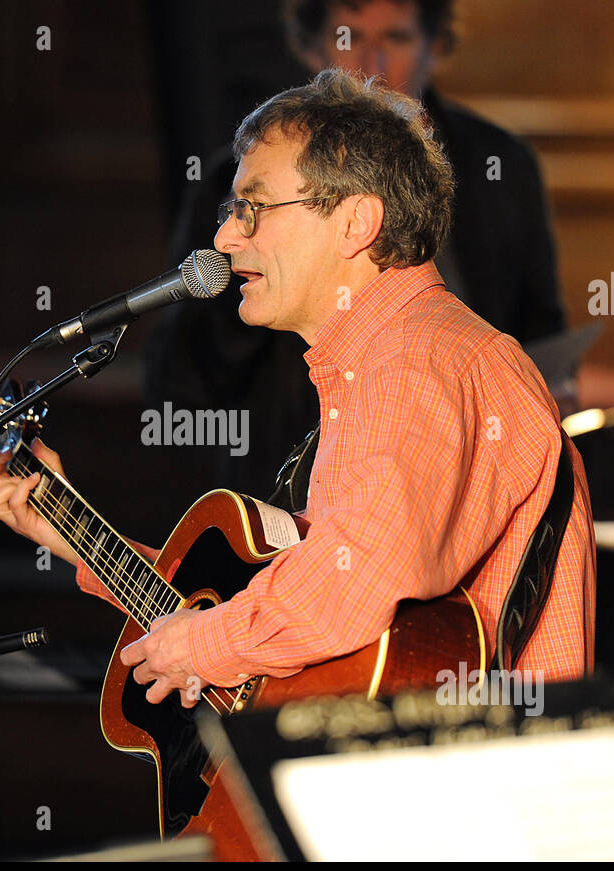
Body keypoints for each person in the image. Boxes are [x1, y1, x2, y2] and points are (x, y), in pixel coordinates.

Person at [0, 69, 594, 708]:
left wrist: (201, 647)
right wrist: (65, 524)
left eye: (254, 207)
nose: (223, 238)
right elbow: (286, 594)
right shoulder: (385, 363)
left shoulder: (415, 362)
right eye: (228, 210)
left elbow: (348, 589)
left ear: (356, 222)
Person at [147, 0, 571, 500]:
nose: (372, 62)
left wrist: (540, 396)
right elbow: (179, 378)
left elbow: (540, 321)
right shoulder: (234, 180)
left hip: (468, 462)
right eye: (349, 38)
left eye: (396, 39)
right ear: (310, 48)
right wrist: (258, 270)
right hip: (280, 494)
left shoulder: (502, 165)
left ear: (434, 46)